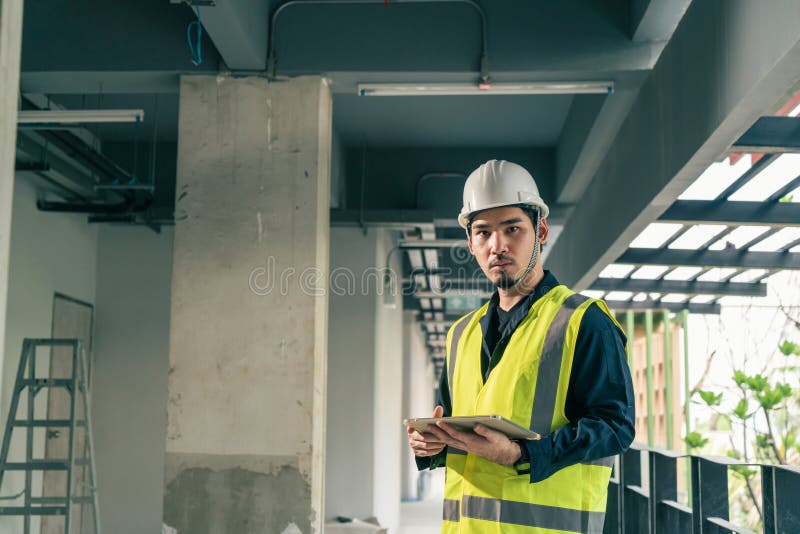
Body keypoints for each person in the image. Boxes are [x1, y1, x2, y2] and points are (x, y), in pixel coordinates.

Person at [406, 160, 635, 533]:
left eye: (512, 229)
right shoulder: (460, 334)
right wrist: (433, 444)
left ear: (540, 231)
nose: (497, 246)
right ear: (470, 243)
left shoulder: (584, 321)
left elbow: (616, 426)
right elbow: (458, 429)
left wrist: (521, 454)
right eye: (483, 233)